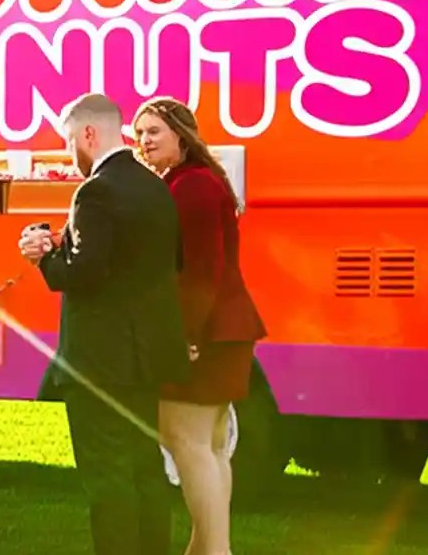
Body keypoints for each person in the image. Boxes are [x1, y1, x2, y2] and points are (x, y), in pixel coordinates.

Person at [19, 93, 190, 555]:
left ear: (89, 134)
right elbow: (165, 262)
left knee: (107, 477)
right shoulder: (156, 186)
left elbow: (81, 274)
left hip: (99, 361)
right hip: (146, 355)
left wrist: (45, 256)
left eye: (69, 140)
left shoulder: (94, 190)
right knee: (145, 470)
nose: (70, 151)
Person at [133, 96, 267, 555]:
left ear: (181, 136)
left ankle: (216, 550)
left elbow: (201, 271)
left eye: (154, 132)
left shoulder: (190, 187)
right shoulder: (196, 181)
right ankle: (207, 547)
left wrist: (185, 335)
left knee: (187, 443)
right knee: (208, 446)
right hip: (225, 330)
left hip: (207, 334)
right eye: (140, 134)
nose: (144, 141)